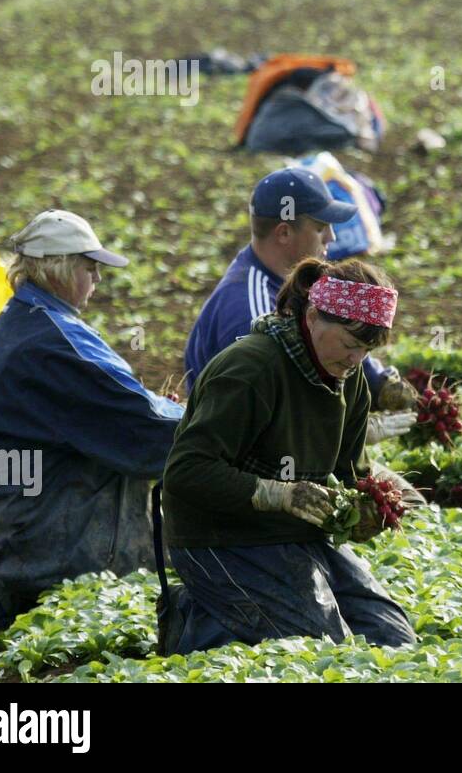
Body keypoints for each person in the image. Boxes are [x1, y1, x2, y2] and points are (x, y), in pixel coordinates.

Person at [159, 257, 417, 654]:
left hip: (295, 535)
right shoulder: (250, 370)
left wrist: (364, 510)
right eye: (349, 344)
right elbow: (185, 473)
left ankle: (237, 611)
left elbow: (350, 474)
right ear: (313, 316)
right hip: (219, 537)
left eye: (365, 351)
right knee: (322, 649)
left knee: (393, 639)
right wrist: (276, 494)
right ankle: (200, 618)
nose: (355, 361)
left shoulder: (349, 381)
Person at [0, 210, 182, 630]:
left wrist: (154, 408)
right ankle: (104, 586)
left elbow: (111, 403)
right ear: (57, 268)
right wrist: (198, 418)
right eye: (89, 266)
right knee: (123, 458)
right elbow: (144, 431)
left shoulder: (19, 320)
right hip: (33, 546)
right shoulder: (55, 341)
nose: (97, 278)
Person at [184, 168, 413, 414]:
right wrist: (338, 428)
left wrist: (377, 380)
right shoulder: (249, 309)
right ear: (284, 232)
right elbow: (265, 408)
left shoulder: (297, 279)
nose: (331, 237)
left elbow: (341, 332)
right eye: (320, 227)